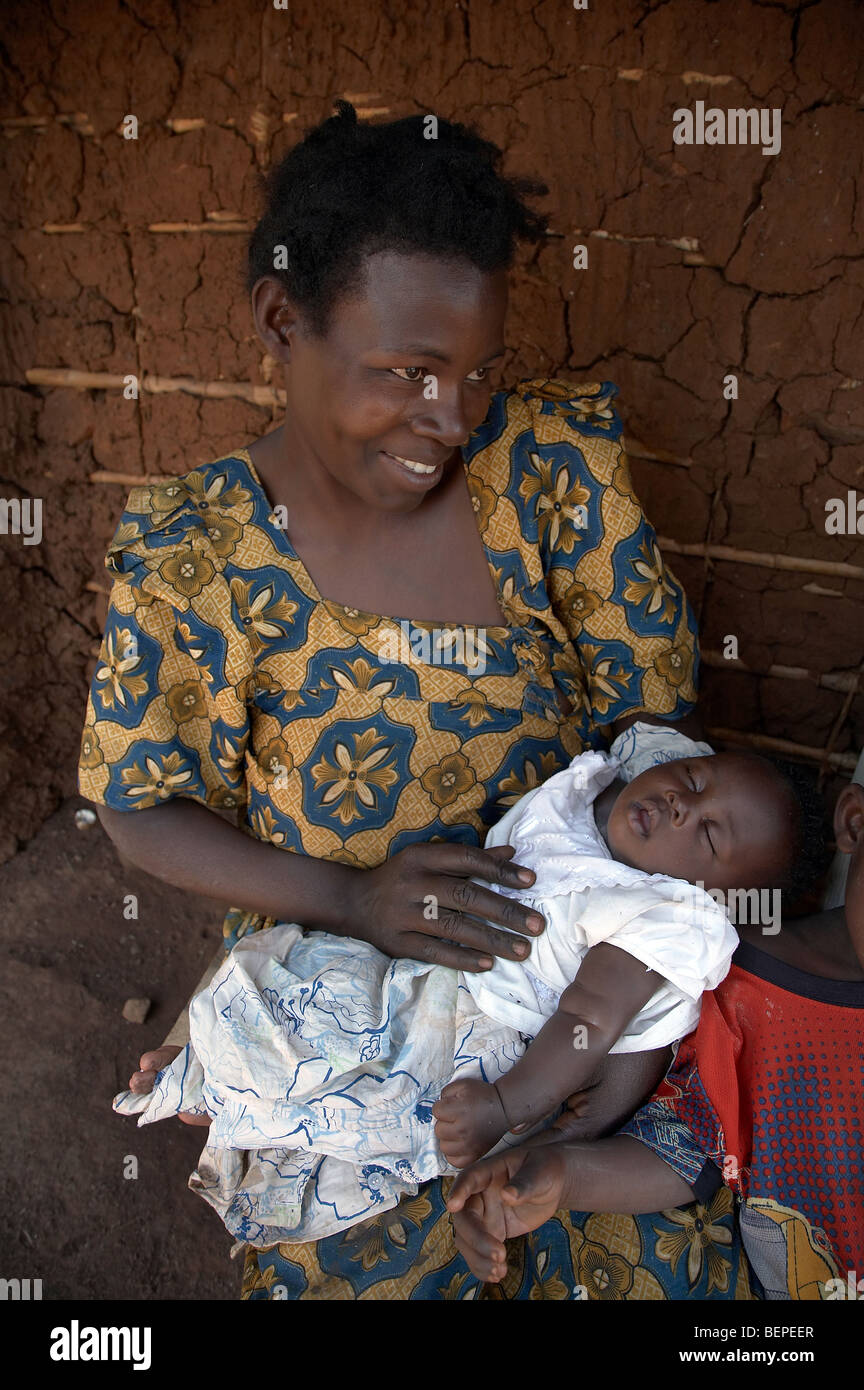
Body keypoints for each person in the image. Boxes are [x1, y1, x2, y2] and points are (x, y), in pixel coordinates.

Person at [81, 101, 711, 1299]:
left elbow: (661, 739)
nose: (450, 418)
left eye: (477, 373)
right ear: (282, 319)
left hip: (585, 1001)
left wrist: (594, 1025)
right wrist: (352, 898)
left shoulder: (551, 473)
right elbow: (135, 801)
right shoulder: (194, 552)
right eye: (406, 372)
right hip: (346, 1019)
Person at [115, 729, 821, 1252]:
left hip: (487, 1042)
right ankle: (222, 1074)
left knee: (370, 1104)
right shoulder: (592, 799)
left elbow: (591, 1020)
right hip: (426, 974)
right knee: (304, 985)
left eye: (705, 837)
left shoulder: (659, 920)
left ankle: (229, 1100)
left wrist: (510, 1107)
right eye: (693, 780)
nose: (678, 807)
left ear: (705, 895)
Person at [446, 783, 862, 1300]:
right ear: (855, 822)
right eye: (690, 780)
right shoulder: (726, 976)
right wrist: (558, 1175)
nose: (682, 806)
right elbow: (689, 1148)